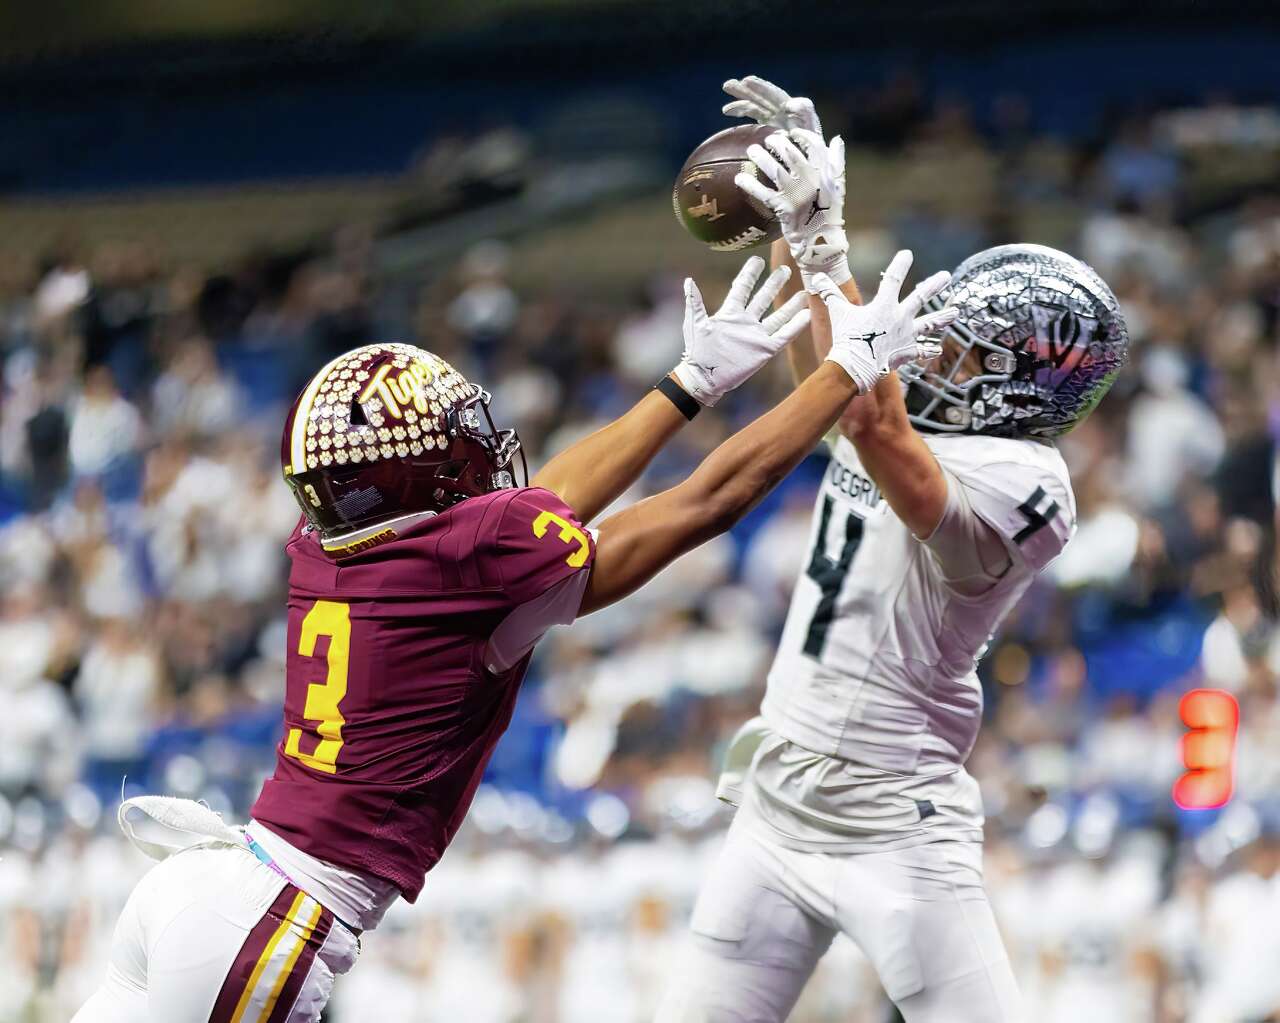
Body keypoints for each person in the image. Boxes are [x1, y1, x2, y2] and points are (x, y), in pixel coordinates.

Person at [74, 147, 959, 1020]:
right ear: (415, 477)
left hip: (208, 886)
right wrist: (846, 370)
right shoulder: (474, 557)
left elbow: (545, 505)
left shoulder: (328, 539)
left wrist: (687, 384)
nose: (476, 451)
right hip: (275, 916)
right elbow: (707, 500)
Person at [657, 79, 1129, 1023]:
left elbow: (870, 412)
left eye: (963, 351)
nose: (934, 350)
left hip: (894, 823)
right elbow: (841, 379)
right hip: (779, 796)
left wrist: (827, 240)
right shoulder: (904, 416)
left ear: (1019, 386)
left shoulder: (1026, 483)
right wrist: (798, 235)